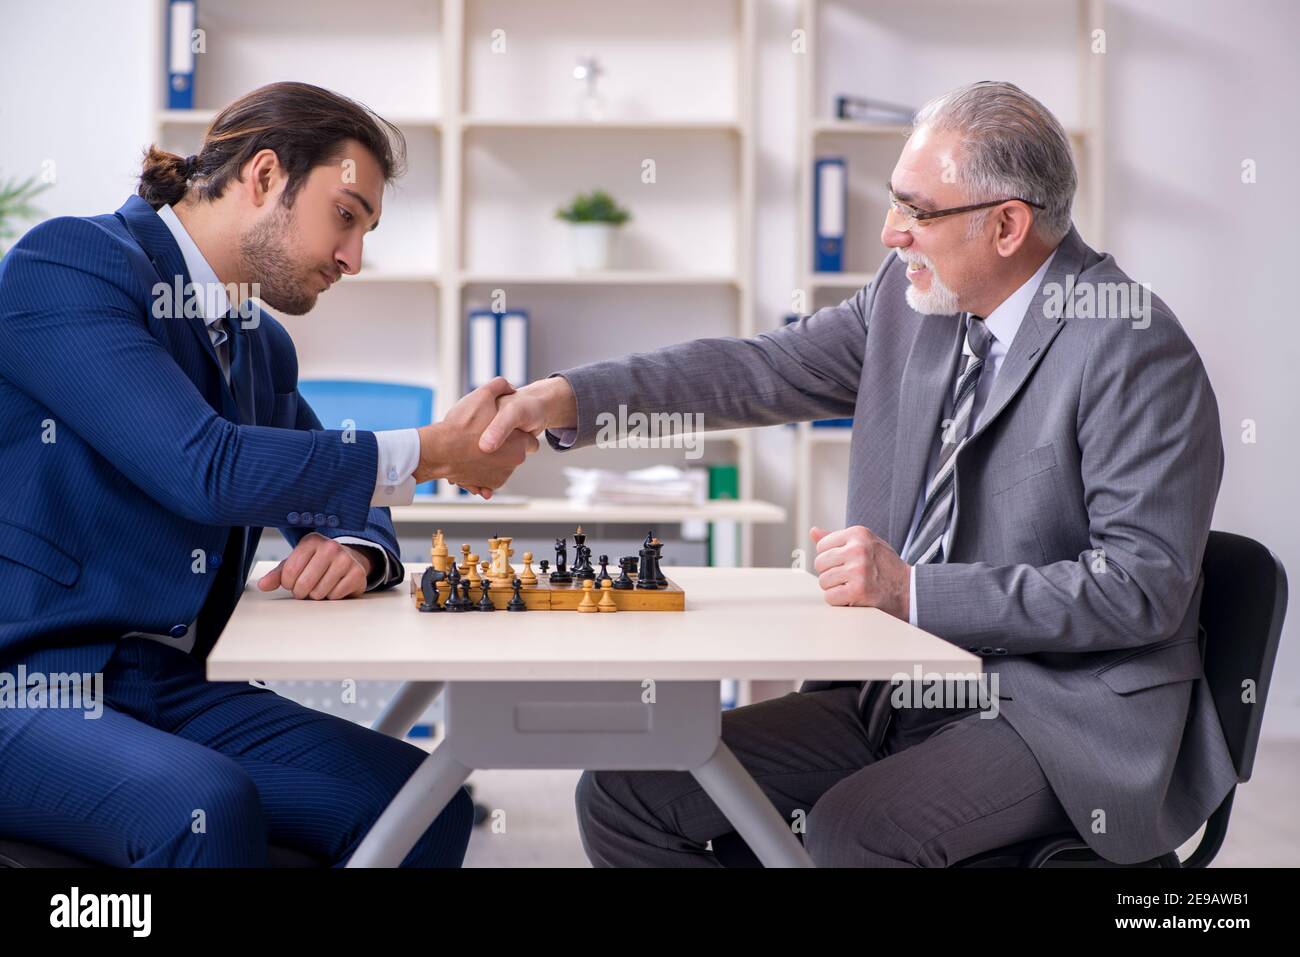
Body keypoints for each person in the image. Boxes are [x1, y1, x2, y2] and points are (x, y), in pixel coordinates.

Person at [481, 81, 1236, 867]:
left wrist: (913, 591)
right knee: (628, 790)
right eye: (893, 204)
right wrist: (570, 399)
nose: (889, 233)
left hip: (1057, 714)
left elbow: (1139, 588)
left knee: (857, 827)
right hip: (895, 687)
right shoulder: (914, 303)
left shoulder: (1131, 346)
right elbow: (760, 371)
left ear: (1007, 224)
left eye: (918, 211)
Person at [0, 81, 535, 866]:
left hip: (167, 685)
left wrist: (355, 546)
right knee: (205, 806)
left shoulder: (257, 343)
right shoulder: (70, 265)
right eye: (346, 217)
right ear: (263, 176)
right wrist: (431, 449)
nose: (354, 257)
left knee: (423, 806)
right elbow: (204, 465)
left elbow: (332, 484)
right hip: (28, 679)